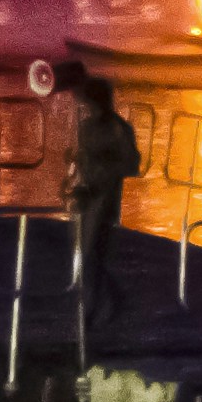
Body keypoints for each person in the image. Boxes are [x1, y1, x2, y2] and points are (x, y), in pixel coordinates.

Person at [65, 78, 140, 333]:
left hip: (105, 198)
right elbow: (85, 161)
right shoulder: (88, 127)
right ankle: (98, 306)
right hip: (88, 196)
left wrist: (104, 163)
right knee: (88, 255)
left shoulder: (117, 129)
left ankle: (99, 308)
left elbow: (131, 164)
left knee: (95, 254)